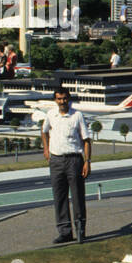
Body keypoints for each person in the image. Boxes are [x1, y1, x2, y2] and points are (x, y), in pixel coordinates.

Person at [40, 86, 91, 243]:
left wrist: (87, 161)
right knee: (59, 197)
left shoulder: (77, 116)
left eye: (64, 98)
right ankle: (65, 232)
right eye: (59, 99)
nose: (62, 102)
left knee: (77, 197)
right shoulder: (51, 114)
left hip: (74, 160)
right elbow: (44, 131)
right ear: (55, 100)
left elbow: (86, 140)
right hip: (55, 161)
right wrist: (46, 149)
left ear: (69, 99)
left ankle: (80, 231)